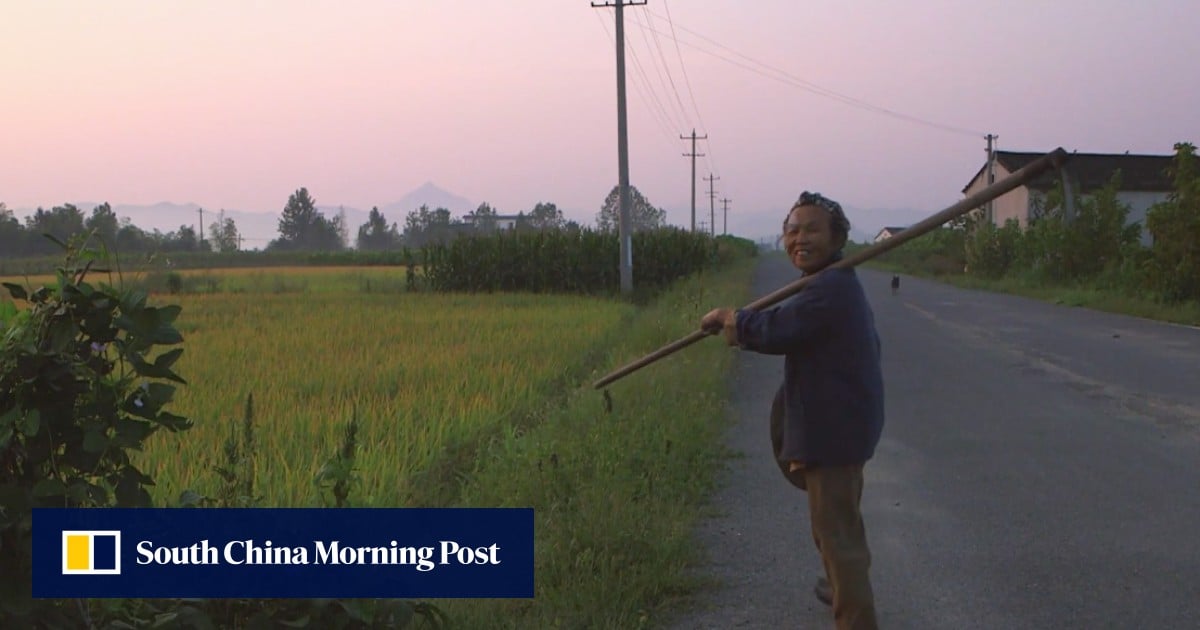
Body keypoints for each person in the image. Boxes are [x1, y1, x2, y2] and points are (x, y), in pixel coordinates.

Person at [701, 191, 885, 630]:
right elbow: (791, 318)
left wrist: (733, 319)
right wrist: (737, 318)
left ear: (837, 236)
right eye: (792, 230)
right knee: (837, 530)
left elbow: (781, 328)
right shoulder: (828, 282)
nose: (799, 238)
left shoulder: (832, 288)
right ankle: (839, 586)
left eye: (811, 230)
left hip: (834, 433)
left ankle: (854, 611)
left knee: (839, 540)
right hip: (842, 427)